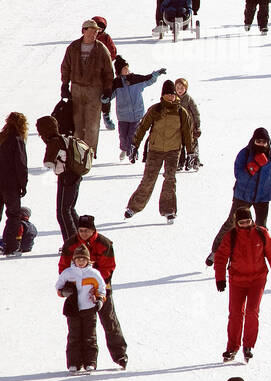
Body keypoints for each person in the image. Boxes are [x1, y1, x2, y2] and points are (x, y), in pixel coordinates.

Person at [207, 128, 271, 264]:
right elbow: (239, 175)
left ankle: (258, 257)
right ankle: (216, 251)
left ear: (268, 142)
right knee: (232, 224)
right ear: (253, 140)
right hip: (242, 196)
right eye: (258, 141)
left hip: (263, 197)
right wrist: (253, 166)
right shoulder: (245, 154)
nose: (261, 144)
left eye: (264, 142)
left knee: (261, 228)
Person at [212, 205, 271, 363]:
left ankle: (248, 346)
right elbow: (221, 257)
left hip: (257, 279)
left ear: (252, 220)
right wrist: (220, 278)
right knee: (235, 314)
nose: (245, 225)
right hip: (237, 280)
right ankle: (232, 347)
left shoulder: (261, 234)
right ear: (237, 223)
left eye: (248, 221)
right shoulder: (231, 236)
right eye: (242, 222)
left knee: (252, 311)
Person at [58, 215, 129, 369]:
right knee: (79, 328)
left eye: (86, 231)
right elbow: (63, 266)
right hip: (77, 292)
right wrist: (69, 286)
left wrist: (94, 285)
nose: (83, 233)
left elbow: (108, 267)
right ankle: (80, 361)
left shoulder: (104, 244)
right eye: (80, 230)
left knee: (109, 321)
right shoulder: (71, 244)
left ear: (93, 229)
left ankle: (120, 354)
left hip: (100, 288)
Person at [124, 81, 194, 223]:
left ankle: (169, 211)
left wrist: (191, 152)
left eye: (172, 94)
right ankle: (133, 207)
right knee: (148, 179)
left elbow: (187, 134)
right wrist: (134, 145)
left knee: (170, 180)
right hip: (155, 150)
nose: (170, 97)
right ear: (163, 95)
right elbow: (142, 127)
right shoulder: (155, 110)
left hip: (173, 151)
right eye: (168, 94)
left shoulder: (181, 112)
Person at [60, 20, 113, 157]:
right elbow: (65, 67)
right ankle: (76, 152)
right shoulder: (73, 47)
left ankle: (89, 154)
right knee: (77, 122)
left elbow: (108, 71)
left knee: (92, 124)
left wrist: (107, 89)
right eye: (92, 30)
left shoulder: (101, 49)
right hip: (77, 88)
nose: (95, 33)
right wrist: (65, 85)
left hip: (95, 89)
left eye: (96, 31)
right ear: (84, 30)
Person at [55, 242, 105, 373]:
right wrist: (63, 292)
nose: (81, 262)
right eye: (78, 259)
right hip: (73, 310)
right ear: (74, 260)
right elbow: (58, 287)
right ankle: (74, 363)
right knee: (74, 336)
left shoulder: (94, 274)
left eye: (84, 259)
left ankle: (90, 362)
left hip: (89, 309)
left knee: (90, 336)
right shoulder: (68, 273)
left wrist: (99, 300)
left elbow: (102, 289)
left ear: (88, 260)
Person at [34, 115, 85, 243]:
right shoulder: (64, 138)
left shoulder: (54, 141)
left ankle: (72, 244)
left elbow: (48, 162)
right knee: (70, 210)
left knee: (62, 213)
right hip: (75, 176)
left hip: (67, 179)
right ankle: (84, 239)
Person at [0, 113, 26, 258]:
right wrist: (23, 185)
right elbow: (21, 165)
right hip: (10, 184)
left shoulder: (1, 138)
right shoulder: (17, 140)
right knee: (13, 214)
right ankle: (10, 246)